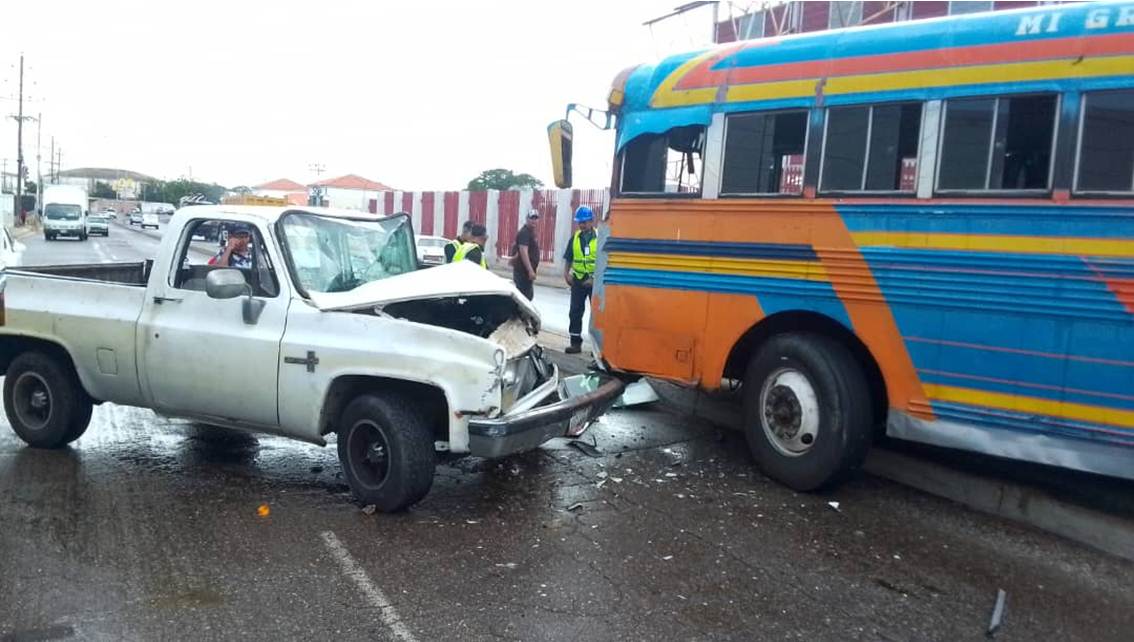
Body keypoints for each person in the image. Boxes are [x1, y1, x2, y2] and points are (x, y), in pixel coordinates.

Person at [562, 206, 598, 354]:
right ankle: (575, 343)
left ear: (591, 221)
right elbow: (568, 258)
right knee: (575, 311)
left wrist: (594, 278)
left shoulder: (600, 237)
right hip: (577, 280)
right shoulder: (575, 238)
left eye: (584, 222)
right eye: (580, 222)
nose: (581, 225)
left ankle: (597, 348)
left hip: (594, 283)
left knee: (597, 314)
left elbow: (604, 261)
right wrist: (566, 274)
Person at [511, 210, 541, 300]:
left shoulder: (530, 232)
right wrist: (530, 270)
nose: (534, 221)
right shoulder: (524, 233)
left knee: (527, 297)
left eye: (536, 218)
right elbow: (523, 251)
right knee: (524, 298)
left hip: (525, 273)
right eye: (532, 218)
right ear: (527, 219)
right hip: (523, 272)